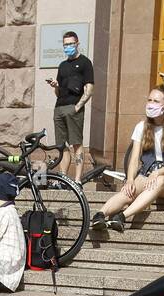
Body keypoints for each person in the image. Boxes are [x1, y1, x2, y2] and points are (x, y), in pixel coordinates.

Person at [92, 85, 164, 232]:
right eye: (149, 100)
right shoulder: (141, 127)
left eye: (156, 101)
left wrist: (157, 173)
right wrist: (129, 179)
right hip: (146, 174)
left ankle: (122, 216)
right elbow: (134, 158)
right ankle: (100, 215)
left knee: (158, 181)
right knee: (129, 190)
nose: (151, 104)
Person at [47, 31, 95, 183]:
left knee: (76, 143)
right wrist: (55, 85)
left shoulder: (85, 63)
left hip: (74, 108)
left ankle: (78, 179)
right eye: (65, 44)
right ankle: (62, 178)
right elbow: (58, 92)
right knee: (62, 146)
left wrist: (78, 106)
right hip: (59, 107)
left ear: (77, 43)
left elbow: (89, 88)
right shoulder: (62, 65)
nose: (68, 47)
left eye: (71, 44)